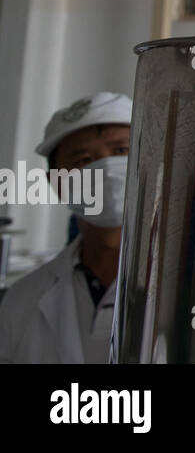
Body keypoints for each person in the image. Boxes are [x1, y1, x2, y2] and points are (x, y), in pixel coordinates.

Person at [0, 92, 132, 363]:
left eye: (122, 151)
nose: (105, 169)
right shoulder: (21, 300)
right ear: (57, 183)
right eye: (82, 160)